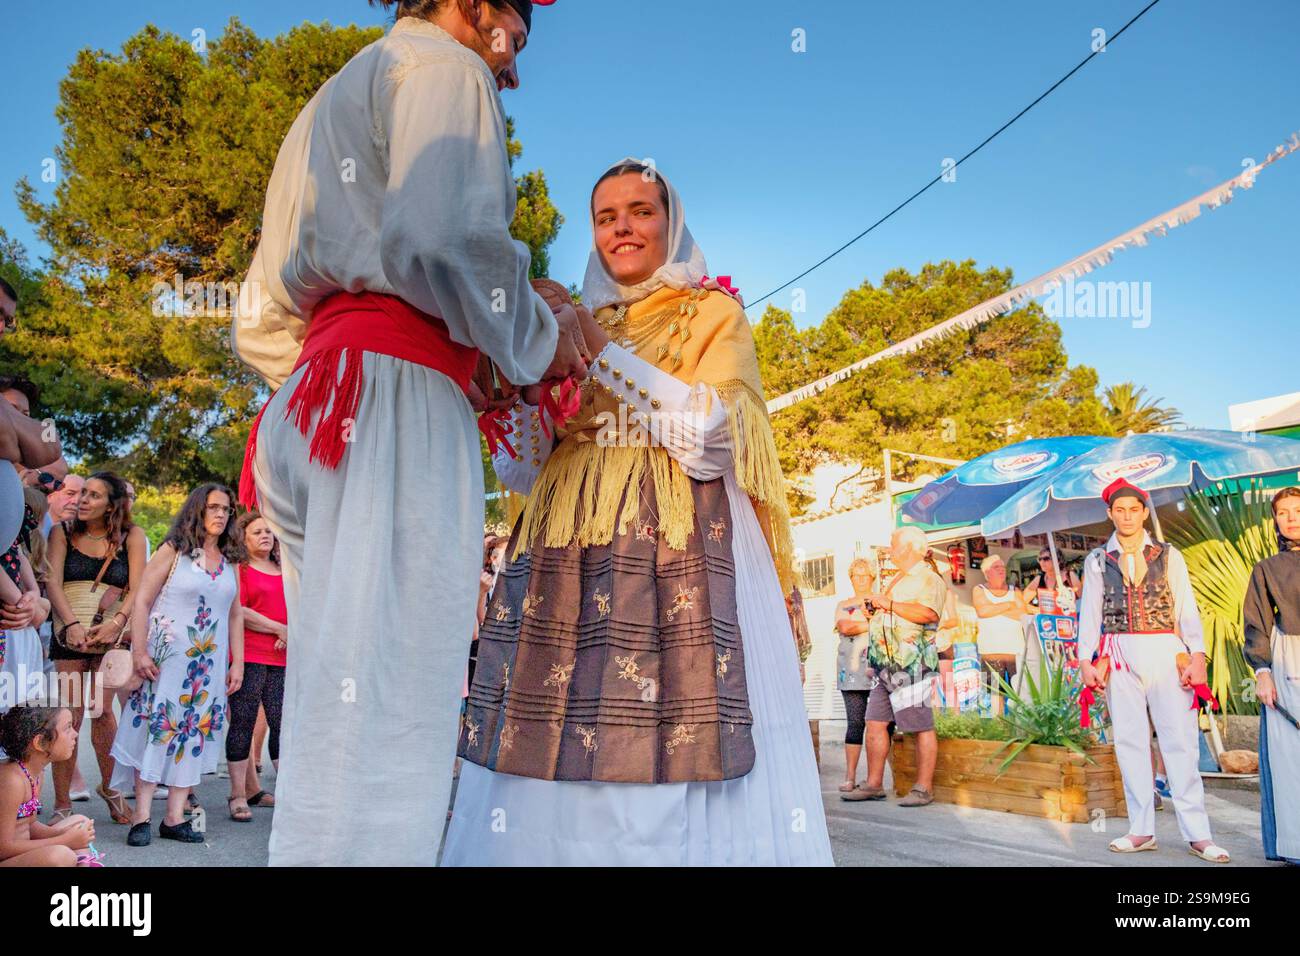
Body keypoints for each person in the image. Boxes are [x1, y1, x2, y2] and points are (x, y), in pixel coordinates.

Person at [233, 0, 580, 867]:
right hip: (387, 398)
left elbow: (257, 317)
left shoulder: (327, 101)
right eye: (511, 37)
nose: (511, 68)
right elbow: (445, 235)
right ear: (470, 7)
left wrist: (347, 359)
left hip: (315, 396)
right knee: (391, 693)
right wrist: (539, 337)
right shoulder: (443, 67)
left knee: (333, 689)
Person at [443, 159, 833, 865]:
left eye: (640, 210)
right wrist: (513, 394)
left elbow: (714, 441)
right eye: (605, 216)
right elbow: (529, 468)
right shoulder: (561, 323)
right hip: (564, 547)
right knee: (549, 723)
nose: (622, 226)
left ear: (670, 222)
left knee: (658, 722)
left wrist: (597, 353)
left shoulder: (712, 311)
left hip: (677, 537)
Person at [1078, 478, 1228, 862]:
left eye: (1134, 509)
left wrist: (1197, 655)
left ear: (1144, 512)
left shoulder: (1168, 553)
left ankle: (1198, 834)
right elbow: (1090, 614)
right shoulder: (1097, 559)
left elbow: (1186, 608)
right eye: (1120, 510)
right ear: (1110, 513)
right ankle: (1141, 829)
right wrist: (1085, 660)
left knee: (1179, 741)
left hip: (1164, 647)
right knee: (1129, 742)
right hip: (1118, 652)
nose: (1127, 516)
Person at [110, 483, 244, 847]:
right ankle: (140, 817)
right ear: (197, 510)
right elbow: (141, 602)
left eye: (226, 509)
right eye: (214, 507)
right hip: (165, 660)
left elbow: (234, 616)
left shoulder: (231, 560)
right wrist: (140, 653)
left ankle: (173, 817)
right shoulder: (175, 550)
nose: (220, 514)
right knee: (158, 728)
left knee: (193, 732)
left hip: (207, 666)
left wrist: (238, 663)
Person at [44, 471, 146, 825]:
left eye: (93, 495)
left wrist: (116, 624)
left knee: (102, 713)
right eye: (82, 492)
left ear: (112, 504)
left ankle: (112, 790)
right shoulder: (62, 533)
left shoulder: (132, 536)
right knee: (68, 715)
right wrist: (70, 626)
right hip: (69, 636)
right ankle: (62, 803)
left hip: (110, 637)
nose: (82, 500)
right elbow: (52, 583)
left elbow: (138, 587)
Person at [858, 526, 947, 806]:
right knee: (874, 723)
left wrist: (889, 603)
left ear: (909, 547)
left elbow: (928, 613)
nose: (890, 549)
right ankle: (874, 784)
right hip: (885, 665)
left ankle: (923, 788)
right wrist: (874, 612)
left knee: (920, 725)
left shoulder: (928, 578)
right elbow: (889, 612)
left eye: (893, 544)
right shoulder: (896, 578)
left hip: (911, 665)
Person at [1243, 486, 1300, 865]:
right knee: (1289, 756)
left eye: (1298, 509)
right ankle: (1295, 844)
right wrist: (1262, 672)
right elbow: (1256, 624)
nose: (1291, 517)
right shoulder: (1267, 569)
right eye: (1283, 512)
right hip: (1289, 660)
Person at [226, 511, 286, 822]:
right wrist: (278, 628)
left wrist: (287, 632)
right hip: (250, 655)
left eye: (268, 531)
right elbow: (241, 611)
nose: (265, 535)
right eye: (257, 532)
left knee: (282, 721)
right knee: (243, 722)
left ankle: (290, 791)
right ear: (244, 539)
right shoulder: (242, 569)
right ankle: (238, 795)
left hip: (283, 657)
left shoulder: (285, 568)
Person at [0, 706, 100, 866]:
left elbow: (29, 825)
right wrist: (64, 840)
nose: (75, 734)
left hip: (18, 855)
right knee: (60, 856)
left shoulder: (35, 773)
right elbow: (3, 848)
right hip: (6, 856)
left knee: (79, 822)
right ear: (40, 742)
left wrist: (64, 834)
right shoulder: (11, 781)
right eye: (67, 728)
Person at [835, 556, 879, 799]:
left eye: (865, 575)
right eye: (856, 575)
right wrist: (870, 622)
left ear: (872, 577)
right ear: (850, 578)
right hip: (851, 671)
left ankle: (877, 779)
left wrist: (860, 622)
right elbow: (845, 628)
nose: (861, 579)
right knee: (855, 722)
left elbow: (883, 623)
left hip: (879, 667)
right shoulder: (844, 603)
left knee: (882, 724)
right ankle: (850, 776)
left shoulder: (880, 600)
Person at [972, 554, 1029, 692]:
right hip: (991, 652)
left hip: (1016, 651)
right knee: (995, 693)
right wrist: (1010, 604)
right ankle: (998, 715)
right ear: (987, 572)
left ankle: (1018, 715)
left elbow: (1022, 614)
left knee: (1020, 691)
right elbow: (983, 611)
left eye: (1003, 567)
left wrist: (994, 608)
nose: (1002, 570)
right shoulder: (979, 589)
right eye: (996, 567)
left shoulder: (1014, 590)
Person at [1024, 544, 1081, 610]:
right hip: (1048, 619)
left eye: (1046, 559)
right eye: (1040, 559)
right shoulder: (1039, 579)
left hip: (1069, 618)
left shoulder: (1069, 576)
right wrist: (1037, 610)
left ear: (1058, 561)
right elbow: (1023, 600)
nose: (1042, 562)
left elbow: (1084, 601)